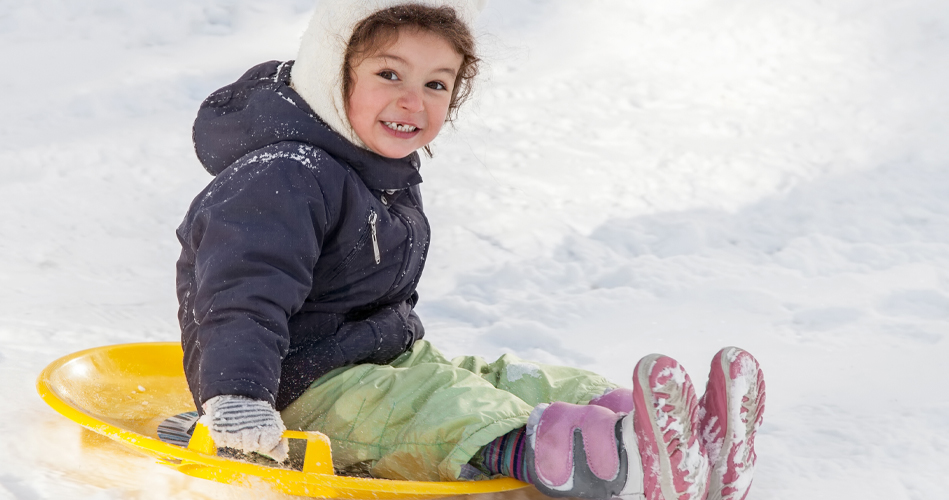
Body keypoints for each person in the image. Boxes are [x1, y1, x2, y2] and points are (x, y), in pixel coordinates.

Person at [174, 1, 767, 499]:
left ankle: (667, 432)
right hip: (297, 393)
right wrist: (239, 397)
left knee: (523, 382)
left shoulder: (375, 172)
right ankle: (611, 458)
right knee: (449, 408)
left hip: (380, 365)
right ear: (333, 73)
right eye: (389, 75)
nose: (414, 101)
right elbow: (238, 296)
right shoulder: (282, 176)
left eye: (436, 84)